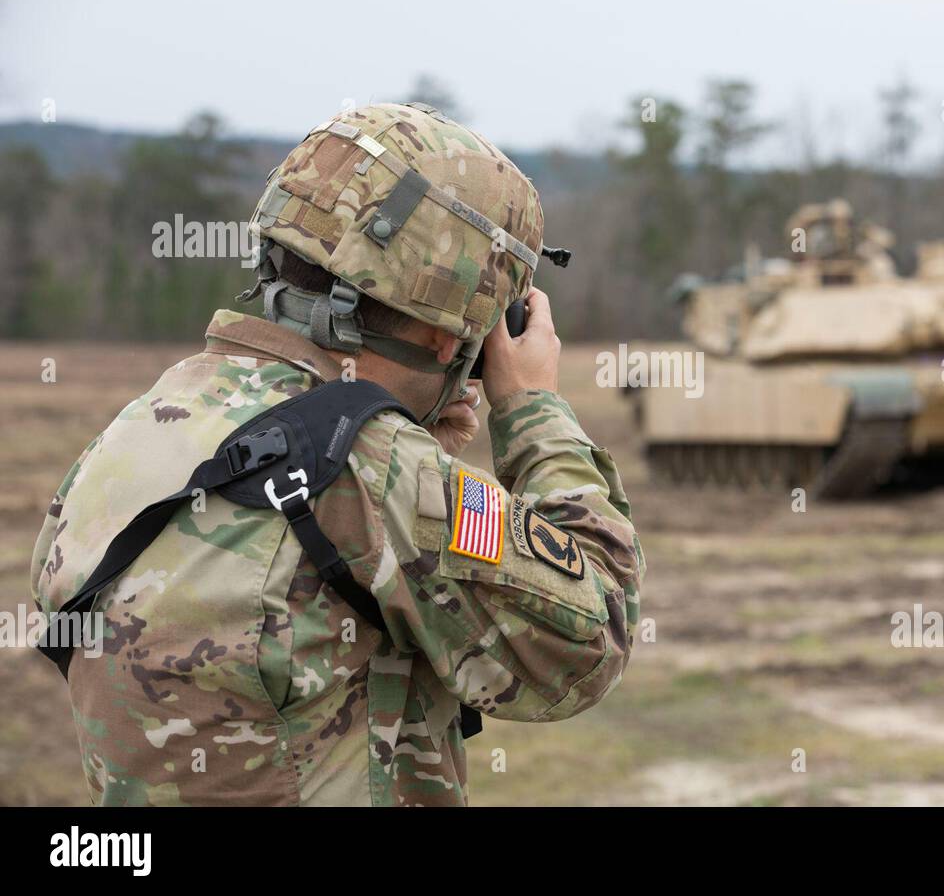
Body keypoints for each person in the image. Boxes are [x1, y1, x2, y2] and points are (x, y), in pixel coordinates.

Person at [29, 103, 645, 806]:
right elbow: (591, 637)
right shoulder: (378, 471)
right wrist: (532, 411)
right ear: (452, 338)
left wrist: (406, 448)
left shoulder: (141, 426)